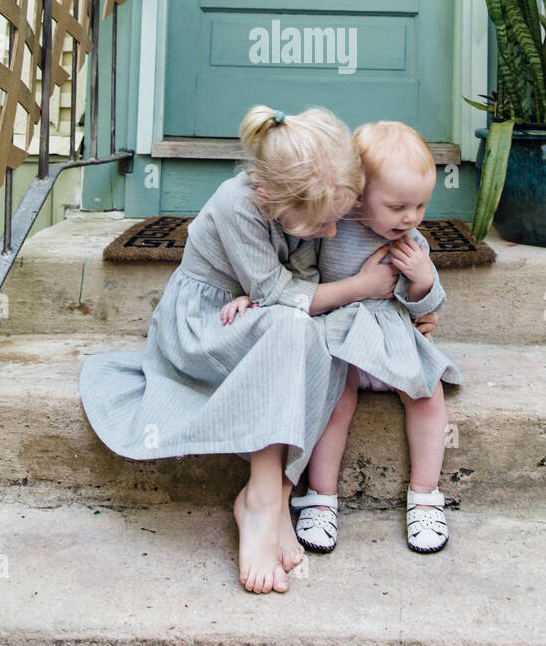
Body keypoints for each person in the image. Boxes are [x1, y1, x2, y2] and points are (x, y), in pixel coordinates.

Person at [78, 105, 399, 596]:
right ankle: (266, 499)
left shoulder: (311, 210)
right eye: (319, 227)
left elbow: (300, 286)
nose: (332, 233)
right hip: (206, 328)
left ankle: (276, 493)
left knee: (321, 341)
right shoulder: (237, 202)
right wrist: (361, 286)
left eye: (336, 221)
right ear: (269, 197)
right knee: (293, 330)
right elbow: (281, 294)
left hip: (264, 316)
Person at [291, 120, 464, 555]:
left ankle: (425, 496)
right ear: (358, 191)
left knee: (427, 395)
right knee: (332, 398)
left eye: (421, 205)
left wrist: (423, 282)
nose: (411, 217)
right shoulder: (330, 227)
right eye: (398, 205)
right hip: (339, 335)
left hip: (391, 337)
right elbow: (304, 282)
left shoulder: (410, 240)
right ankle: (321, 497)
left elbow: (426, 307)